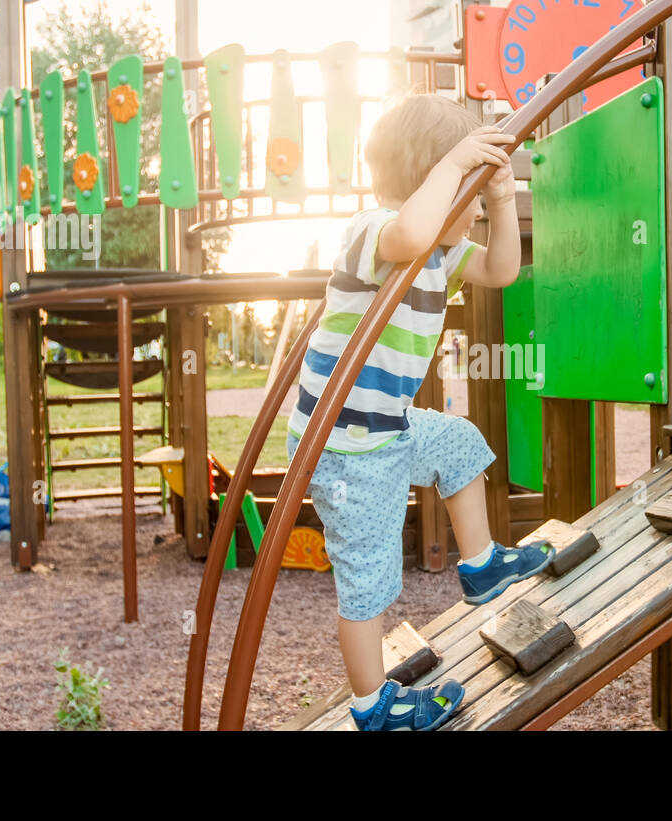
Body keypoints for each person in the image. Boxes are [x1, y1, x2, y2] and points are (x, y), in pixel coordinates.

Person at [286, 94, 554, 731]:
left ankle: (482, 566)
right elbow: (408, 232)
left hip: (389, 429)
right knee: (368, 579)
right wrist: (455, 165)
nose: (471, 192)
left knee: (460, 444)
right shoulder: (373, 231)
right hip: (342, 446)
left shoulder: (442, 253)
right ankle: (372, 708)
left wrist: (498, 198)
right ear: (434, 182)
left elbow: (502, 269)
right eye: (465, 181)